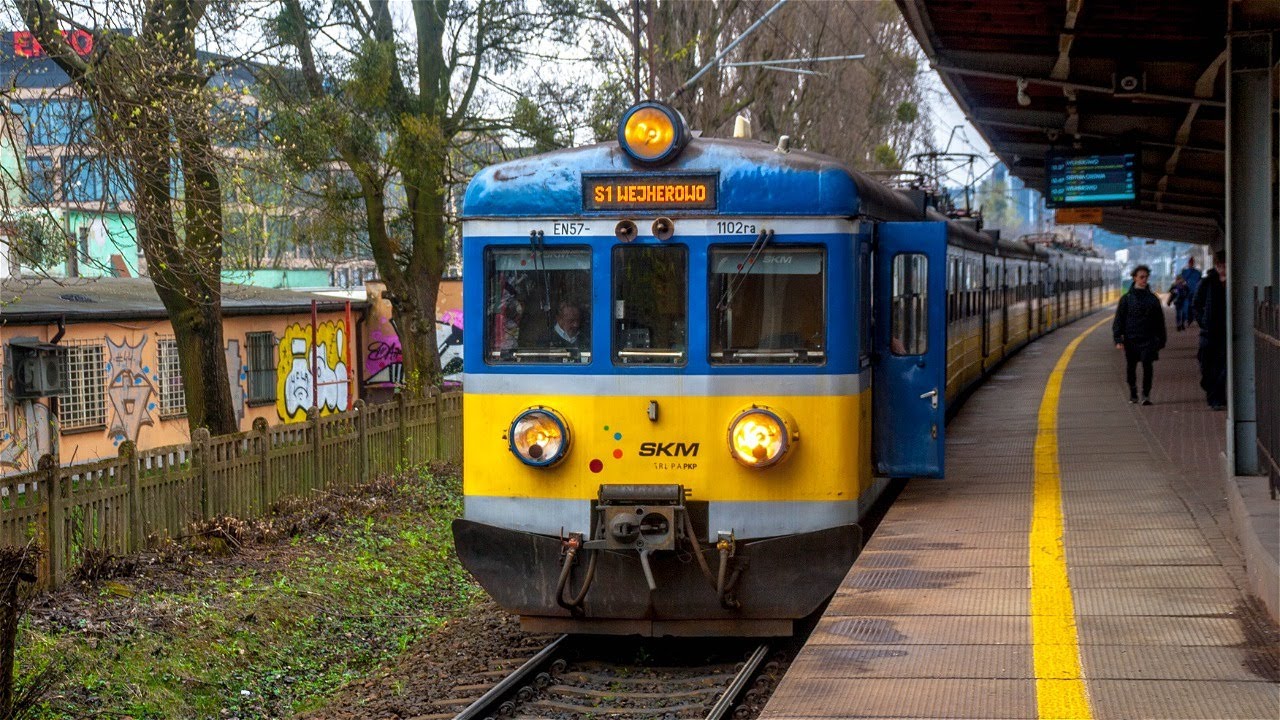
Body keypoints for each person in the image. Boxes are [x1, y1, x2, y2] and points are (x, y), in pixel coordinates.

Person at [1113, 265, 1166, 405]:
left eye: (1146, 277)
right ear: (1134, 278)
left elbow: (1160, 320)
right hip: (1131, 338)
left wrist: (1162, 339)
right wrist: (1118, 338)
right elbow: (1119, 319)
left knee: (1148, 365)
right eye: (1141, 277)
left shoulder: (1153, 299)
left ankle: (1146, 394)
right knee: (1131, 367)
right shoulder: (1126, 299)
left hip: (1148, 338)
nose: (1144, 280)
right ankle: (1133, 391)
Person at [1193, 251, 1228, 410]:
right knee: (1206, 365)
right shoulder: (1207, 282)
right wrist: (1203, 322)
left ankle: (1217, 399)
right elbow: (1196, 304)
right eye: (1219, 265)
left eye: (1224, 265)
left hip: (1226, 332)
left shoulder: (1235, 281)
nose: (1222, 269)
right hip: (1209, 332)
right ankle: (1210, 389)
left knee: (1223, 368)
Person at [1179, 256, 1202, 327]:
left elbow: (1182, 281)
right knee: (1191, 306)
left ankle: (1189, 319)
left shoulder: (1185, 272)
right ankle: (1190, 319)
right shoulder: (1197, 273)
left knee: (1190, 306)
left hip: (1191, 292)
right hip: (1191, 292)